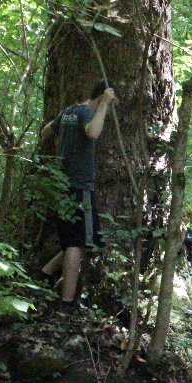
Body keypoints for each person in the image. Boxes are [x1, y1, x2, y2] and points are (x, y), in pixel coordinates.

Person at [38, 79, 118, 313]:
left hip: (63, 187)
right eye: (109, 104)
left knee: (77, 238)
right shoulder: (85, 112)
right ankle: (67, 302)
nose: (109, 110)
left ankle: (46, 272)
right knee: (77, 244)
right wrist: (104, 105)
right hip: (79, 187)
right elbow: (93, 132)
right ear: (101, 97)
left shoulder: (69, 111)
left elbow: (45, 132)